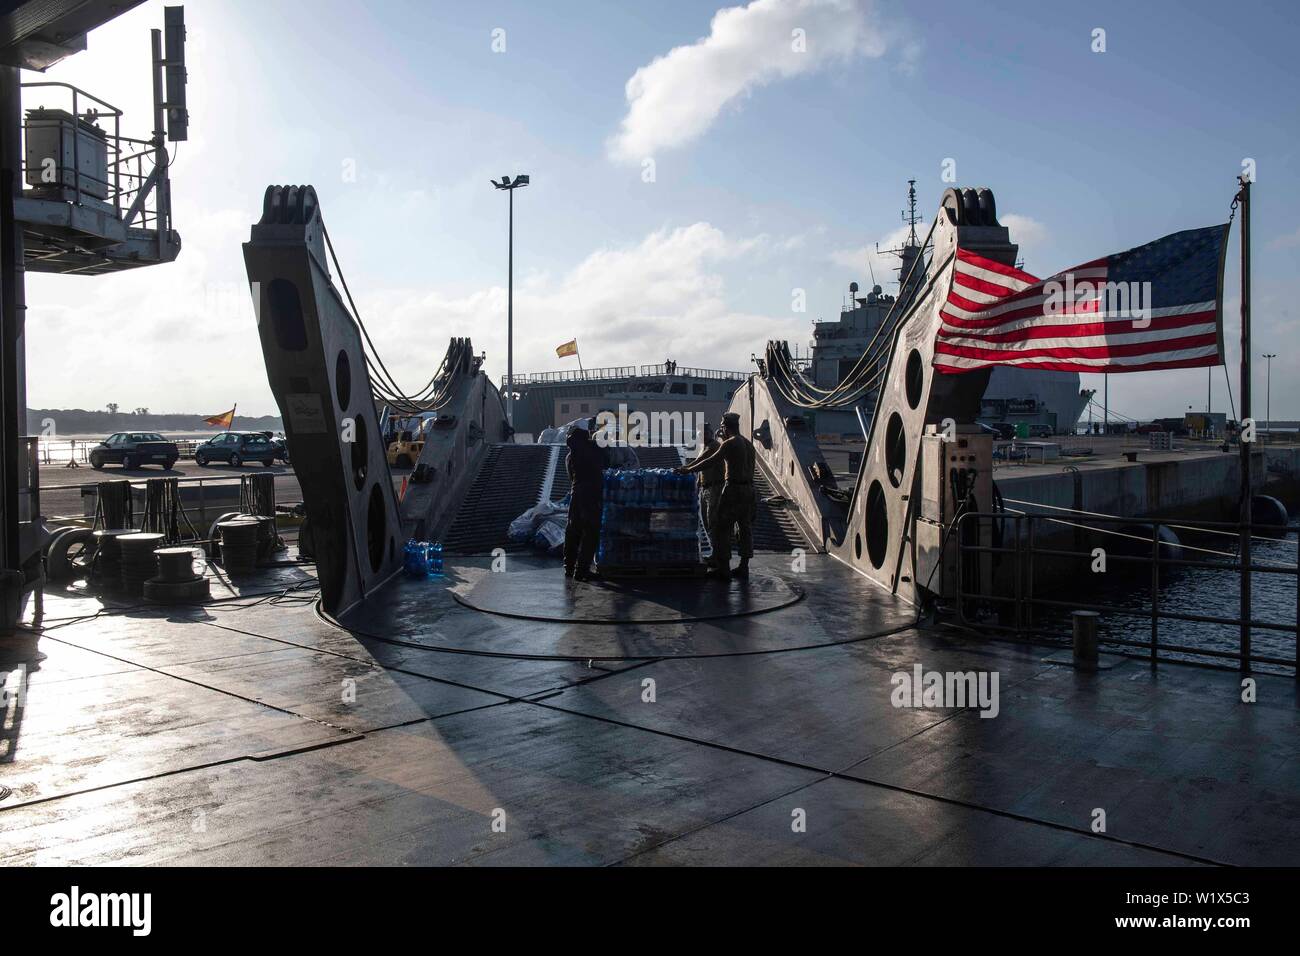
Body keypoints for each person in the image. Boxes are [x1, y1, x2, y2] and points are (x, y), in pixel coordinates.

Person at [678, 411, 756, 579]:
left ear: (724, 427)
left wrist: (687, 470)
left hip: (734, 489)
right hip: (749, 490)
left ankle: (724, 568)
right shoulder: (748, 444)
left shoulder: (729, 443)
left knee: (721, 527)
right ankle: (744, 566)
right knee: (744, 528)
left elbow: (711, 460)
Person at [563, 423, 605, 581]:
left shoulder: (573, 453)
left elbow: (571, 476)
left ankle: (569, 567)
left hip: (577, 492)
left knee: (573, 530)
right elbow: (605, 464)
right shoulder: (595, 450)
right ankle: (582, 570)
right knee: (591, 532)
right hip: (591, 494)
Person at [691, 423, 723, 555]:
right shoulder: (703, 447)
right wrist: (698, 484)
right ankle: (714, 553)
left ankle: (718, 555)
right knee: (706, 520)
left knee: (713, 521)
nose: (702, 435)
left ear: (710, 433)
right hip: (706, 488)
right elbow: (701, 471)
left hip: (714, 487)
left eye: (705, 432)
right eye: (700, 433)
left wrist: (685, 470)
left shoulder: (714, 446)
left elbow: (701, 462)